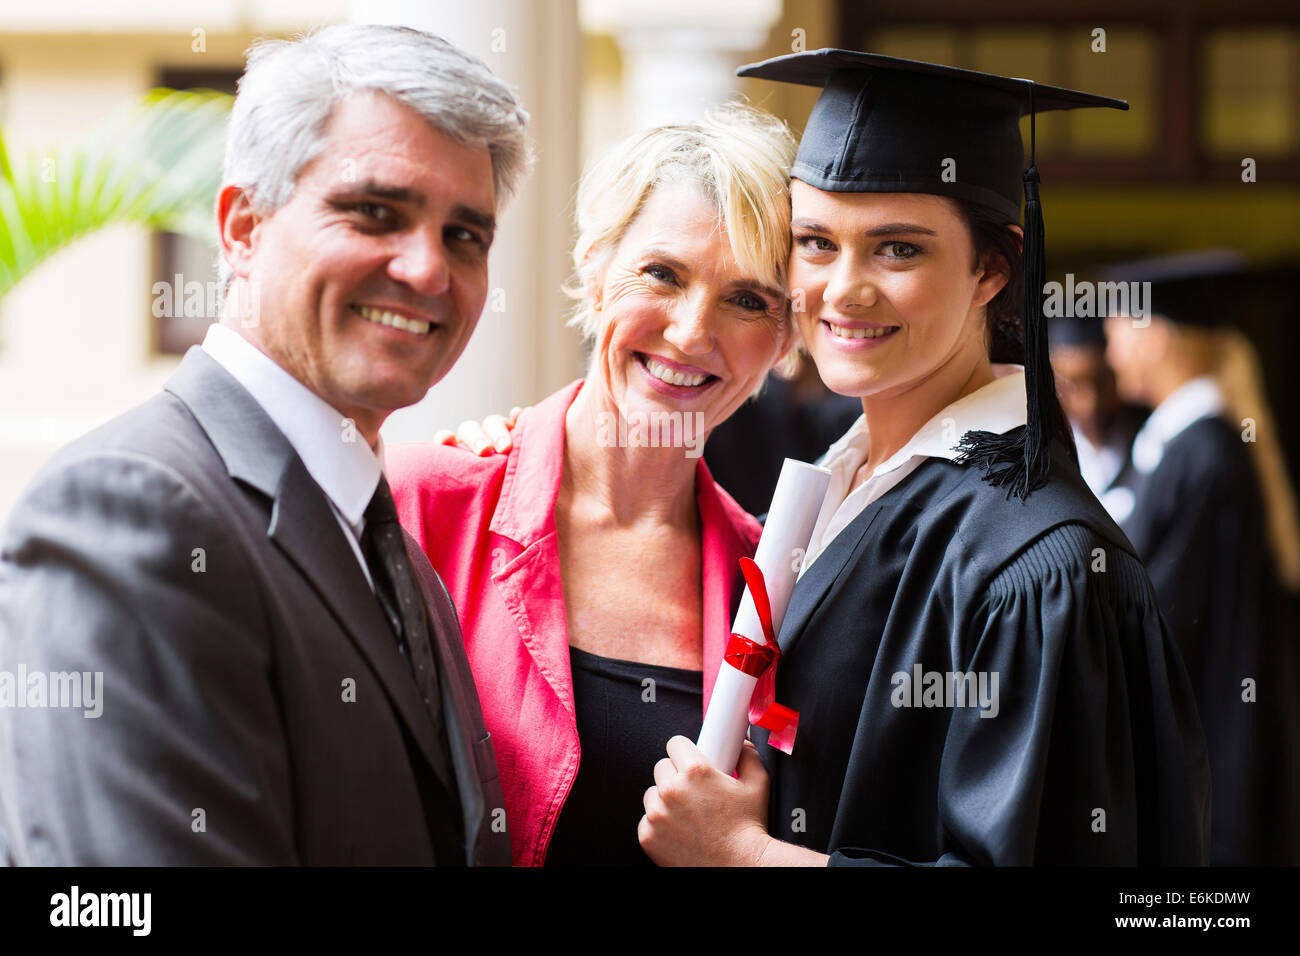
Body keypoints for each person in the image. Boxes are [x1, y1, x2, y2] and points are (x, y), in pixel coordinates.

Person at [636, 50, 1211, 866]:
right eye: (815, 243)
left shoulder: (1040, 569)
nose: (844, 290)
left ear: (992, 269)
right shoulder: (845, 483)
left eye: (897, 250)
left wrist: (743, 856)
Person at [0, 24, 527, 865]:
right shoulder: (127, 511)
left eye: (466, 235)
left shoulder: (390, 544)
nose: (429, 270)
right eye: (375, 212)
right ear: (242, 227)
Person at [384, 104, 797, 865]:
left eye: (747, 299)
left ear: (784, 338)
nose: (689, 331)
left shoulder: (772, 584)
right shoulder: (420, 506)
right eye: (662, 274)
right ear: (595, 269)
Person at [1102, 250, 1300, 865]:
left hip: (1210, 739)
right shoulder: (1177, 445)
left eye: (1115, 334)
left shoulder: (1202, 456)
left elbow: (1163, 610)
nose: (1110, 355)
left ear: (1153, 337)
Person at [1048, 314, 1144, 522]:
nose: (1090, 403)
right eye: (1071, 386)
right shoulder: (1046, 453)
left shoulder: (1151, 437)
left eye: (1101, 382)